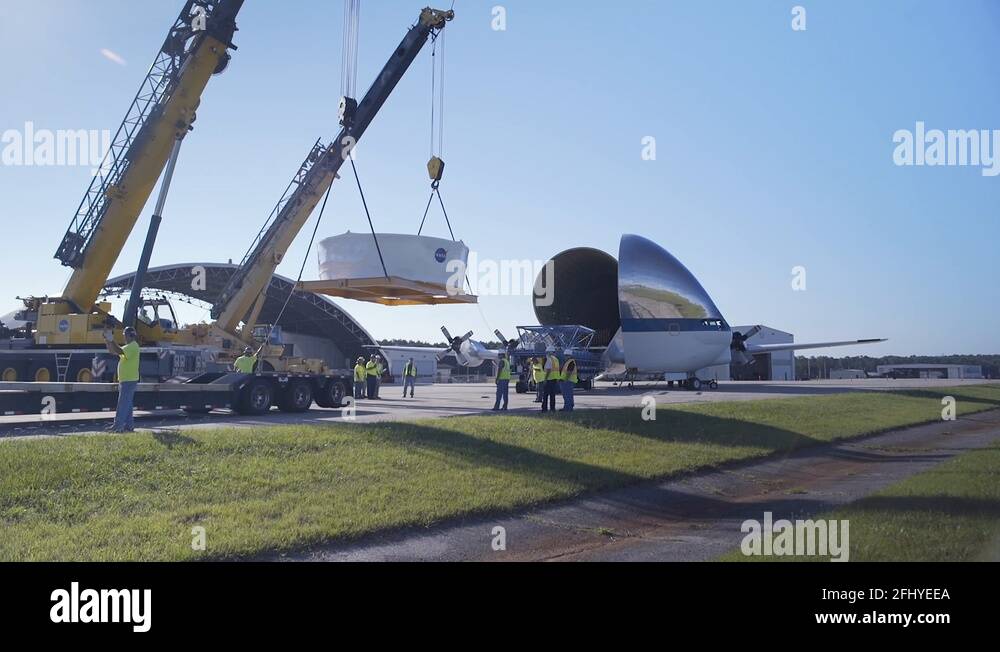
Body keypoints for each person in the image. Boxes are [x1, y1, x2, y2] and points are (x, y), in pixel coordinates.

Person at [104, 326, 140, 433]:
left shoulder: (133, 346)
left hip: (129, 380)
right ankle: (129, 426)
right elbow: (113, 351)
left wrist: (111, 339)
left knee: (123, 404)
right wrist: (107, 340)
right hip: (127, 379)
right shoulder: (129, 347)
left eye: (125, 335)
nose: (124, 337)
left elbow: (118, 350)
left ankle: (118, 426)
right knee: (127, 404)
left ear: (130, 335)